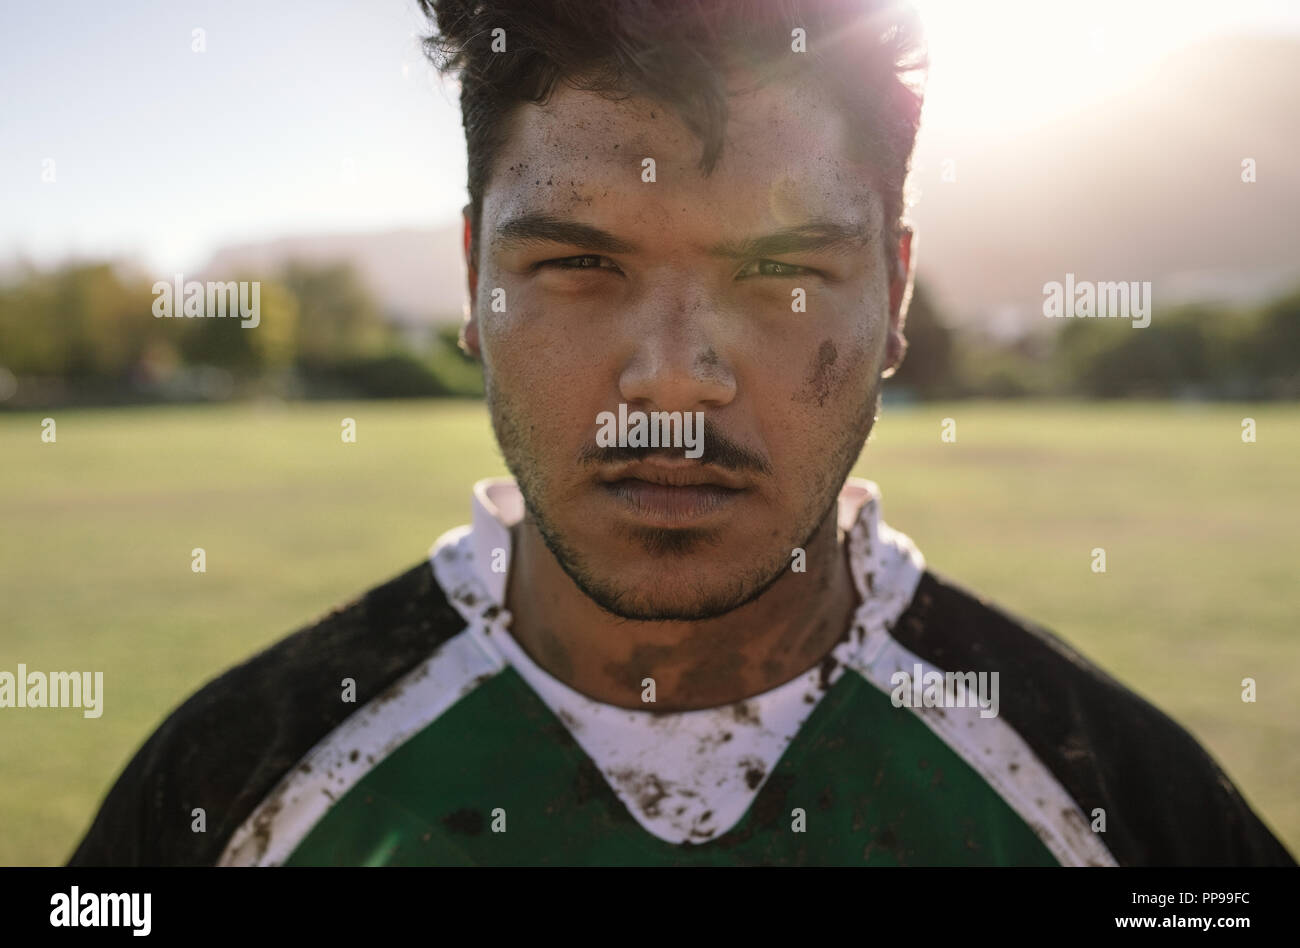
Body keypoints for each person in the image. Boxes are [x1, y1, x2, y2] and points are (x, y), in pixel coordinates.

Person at [70, 0, 1293, 866]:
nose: (672, 376)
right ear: (472, 283)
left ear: (895, 294)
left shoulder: (1119, 805)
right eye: (577, 261)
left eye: (783, 272)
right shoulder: (232, 786)